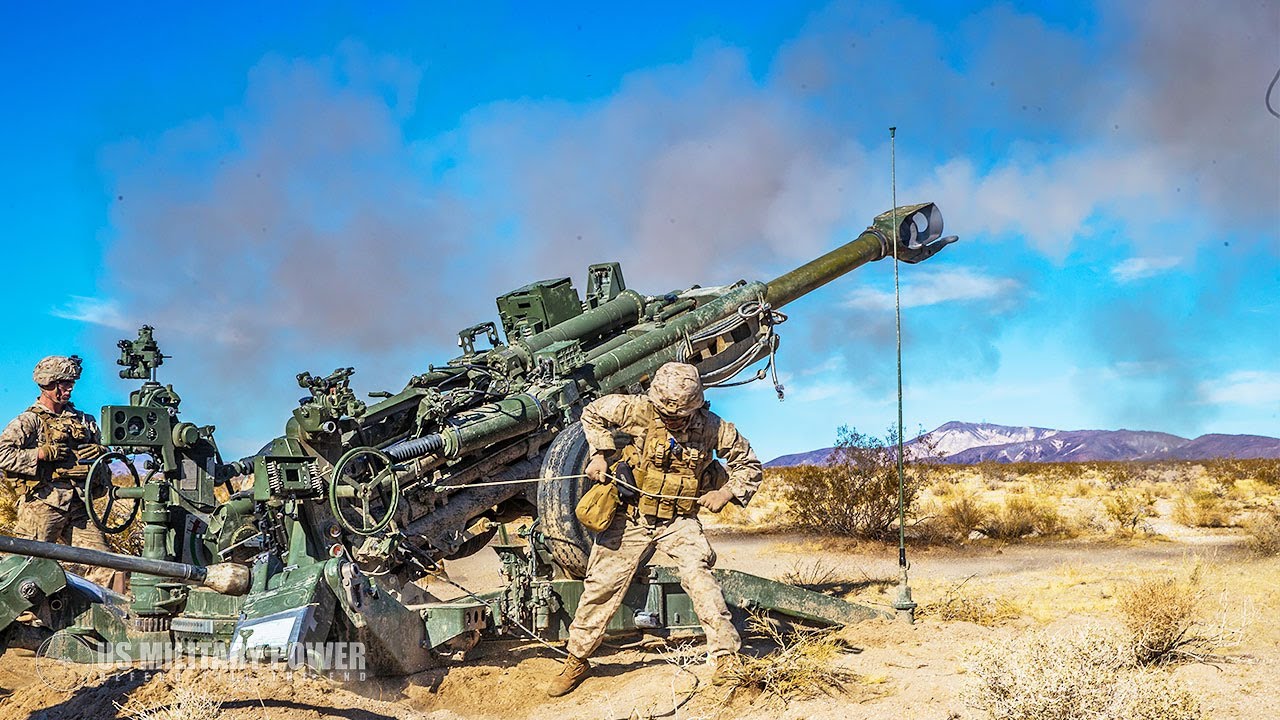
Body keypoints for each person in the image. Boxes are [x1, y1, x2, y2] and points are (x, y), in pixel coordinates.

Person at [546, 361, 762, 697]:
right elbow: (592, 413)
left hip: (680, 521)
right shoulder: (637, 410)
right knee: (601, 587)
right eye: (666, 412)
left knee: (699, 577)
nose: (672, 419)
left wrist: (726, 492)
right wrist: (600, 454)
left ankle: (726, 658)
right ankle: (577, 659)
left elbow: (748, 463)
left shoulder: (714, 428)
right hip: (631, 517)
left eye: (680, 415)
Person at [0, 355, 123, 590]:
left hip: (79, 505)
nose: (69, 389)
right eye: (65, 383)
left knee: (106, 564)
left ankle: (94, 614)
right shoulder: (29, 421)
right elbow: (2, 453)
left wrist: (100, 450)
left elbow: (106, 453)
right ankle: (20, 620)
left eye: (71, 383)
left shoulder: (84, 420)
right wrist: (40, 454)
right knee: (24, 568)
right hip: (42, 504)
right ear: (49, 384)